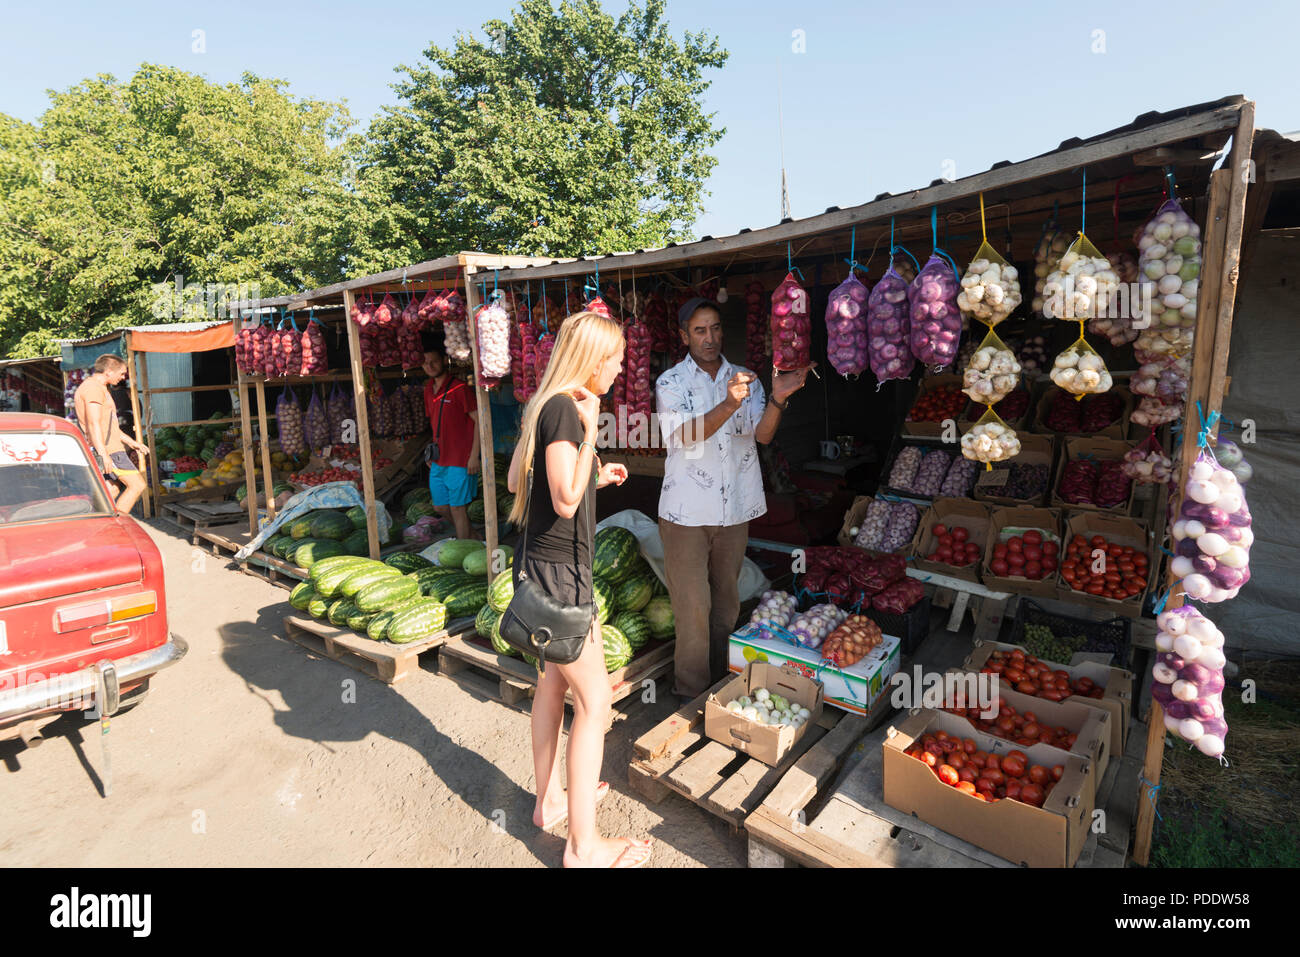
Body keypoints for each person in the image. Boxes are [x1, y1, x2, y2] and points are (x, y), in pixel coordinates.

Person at [506, 311, 652, 869]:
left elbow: (524, 481)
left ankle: (548, 803)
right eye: (614, 358)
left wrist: (595, 471)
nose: (620, 368)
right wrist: (590, 434)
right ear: (592, 359)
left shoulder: (544, 405)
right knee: (597, 702)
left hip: (540, 568)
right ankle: (583, 848)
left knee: (551, 687)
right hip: (563, 577)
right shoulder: (570, 409)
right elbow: (564, 501)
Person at [656, 297, 809, 701]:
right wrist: (728, 403)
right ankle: (689, 694)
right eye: (700, 330)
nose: (710, 338)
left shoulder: (747, 379)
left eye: (716, 328)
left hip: (733, 509)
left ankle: (722, 684)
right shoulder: (671, 382)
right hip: (685, 513)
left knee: (726, 602)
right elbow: (683, 437)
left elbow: (762, 435)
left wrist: (777, 397)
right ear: (685, 335)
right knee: (692, 609)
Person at [73, 354, 149, 516]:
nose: (123, 378)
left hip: (110, 448)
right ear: (108, 372)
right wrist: (104, 454)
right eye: (121, 373)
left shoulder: (101, 388)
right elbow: (93, 424)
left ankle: (94, 525)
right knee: (137, 485)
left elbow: (110, 427)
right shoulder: (93, 388)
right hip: (110, 450)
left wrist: (132, 442)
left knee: (111, 490)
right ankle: (118, 525)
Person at [422, 341, 481, 541]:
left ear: (444, 361)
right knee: (440, 506)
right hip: (439, 460)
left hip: (460, 460)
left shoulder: (460, 389)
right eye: (425, 363)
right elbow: (435, 424)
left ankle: (463, 547)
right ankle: (472, 536)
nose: (430, 366)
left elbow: (479, 421)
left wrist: (474, 457)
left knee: (457, 508)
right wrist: (432, 452)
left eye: (434, 362)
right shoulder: (428, 390)